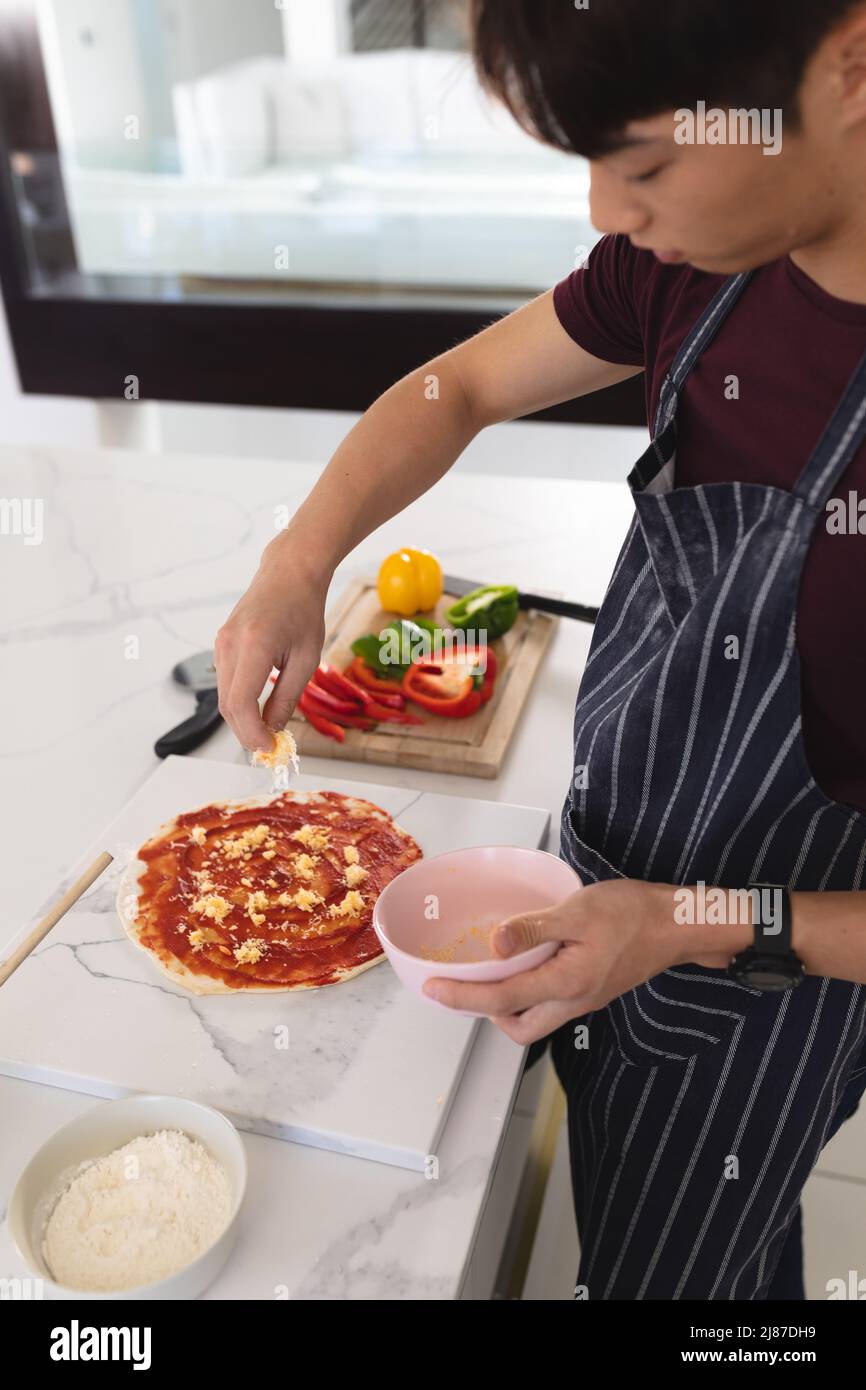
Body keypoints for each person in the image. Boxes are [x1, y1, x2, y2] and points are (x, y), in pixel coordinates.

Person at [215, 0, 866, 1299]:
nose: (601, 212)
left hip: (775, 977)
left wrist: (676, 925)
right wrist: (300, 558)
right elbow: (457, 389)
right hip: (603, 868)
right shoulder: (696, 262)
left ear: (849, 64)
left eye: (638, 168)